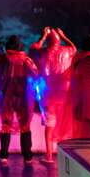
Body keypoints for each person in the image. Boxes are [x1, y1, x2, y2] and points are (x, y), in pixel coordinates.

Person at [0, 35, 39, 164]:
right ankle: (28, 156)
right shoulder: (26, 60)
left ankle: (4, 155)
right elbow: (36, 74)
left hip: (6, 98)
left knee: (5, 125)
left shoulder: (3, 60)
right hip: (23, 97)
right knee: (25, 126)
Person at [29, 27, 76, 163]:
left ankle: (49, 156)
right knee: (65, 125)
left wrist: (43, 36)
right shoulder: (67, 51)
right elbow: (74, 47)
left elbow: (33, 49)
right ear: (59, 40)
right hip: (64, 93)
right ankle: (68, 157)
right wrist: (64, 36)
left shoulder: (42, 52)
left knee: (50, 125)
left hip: (48, 94)